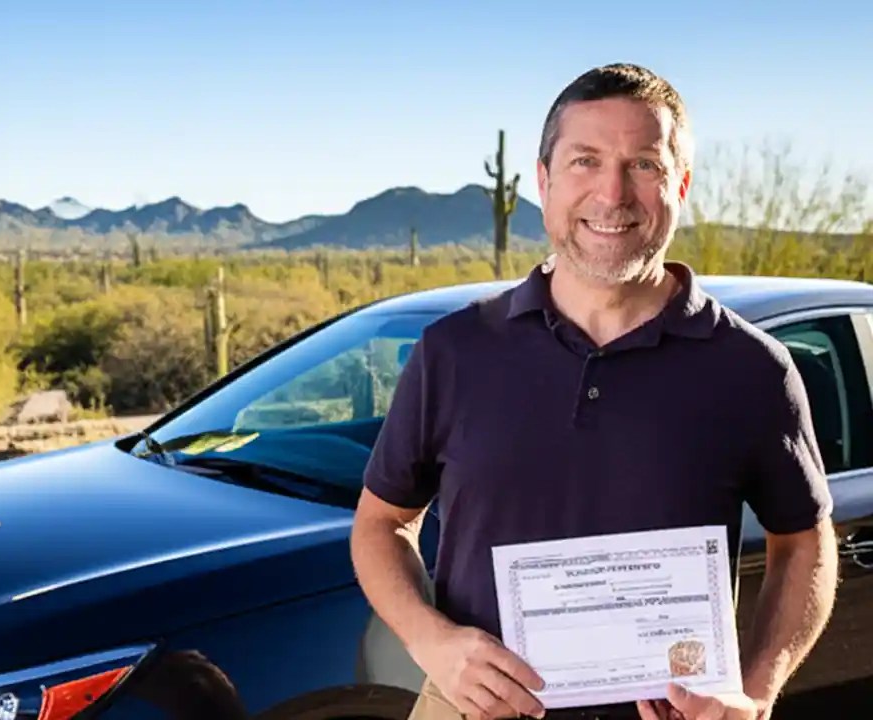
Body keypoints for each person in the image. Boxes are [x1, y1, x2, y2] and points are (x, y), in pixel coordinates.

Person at [350, 62, 839, 720]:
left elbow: (805, 542)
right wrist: (430, 640)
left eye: (643, 164)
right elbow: (381, 524)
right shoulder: (455, 353)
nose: (613, 194)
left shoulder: (751, 369)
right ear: (544, 182)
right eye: (585, 161)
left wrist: (754, 690)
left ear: (681, 185)